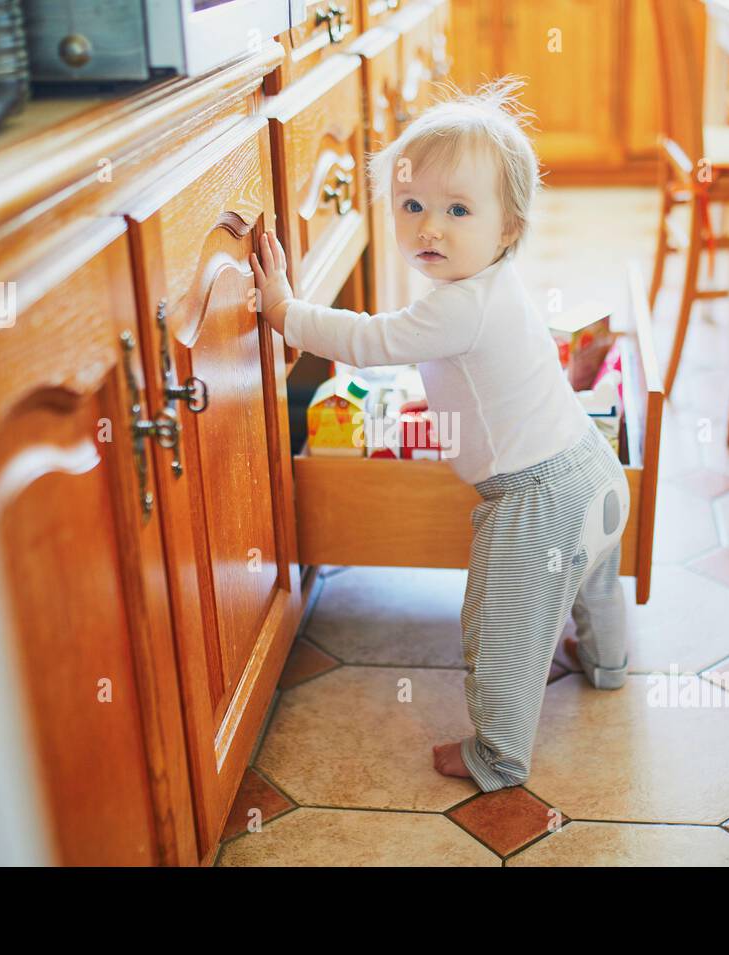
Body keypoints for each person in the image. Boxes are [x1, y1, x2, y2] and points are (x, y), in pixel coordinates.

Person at [249, 76, 631, 792]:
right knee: (595, 582)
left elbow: (366, 339)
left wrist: (284, 311)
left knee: (503, 633)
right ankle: (608, 664)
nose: (430, 227)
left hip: (534, 503)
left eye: (458, 210)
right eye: (412, 206)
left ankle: (499, 757)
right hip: (593, 472)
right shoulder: (497, 286)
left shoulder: (455, 306)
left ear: (507, 228)